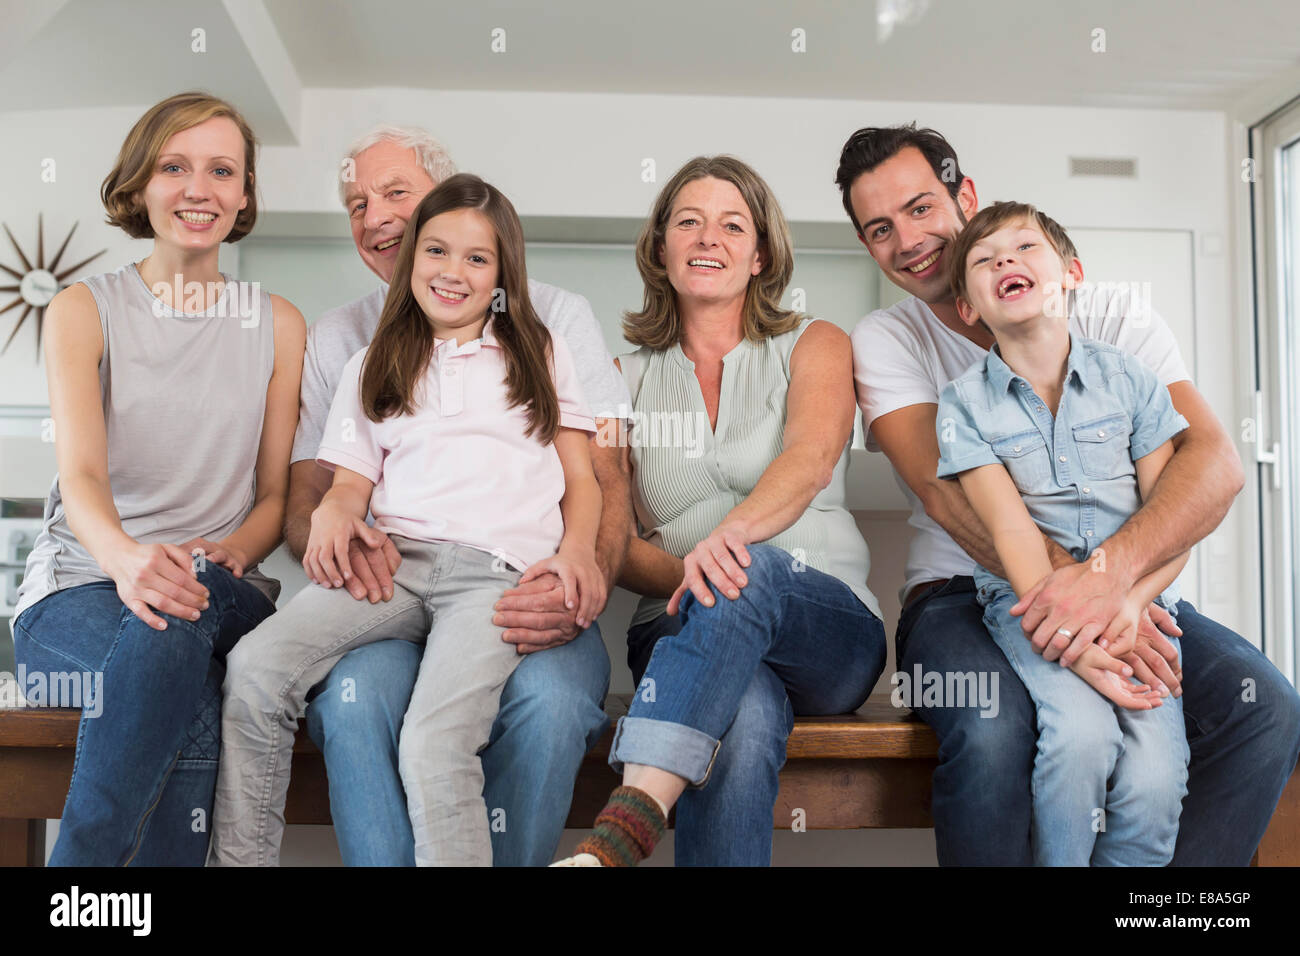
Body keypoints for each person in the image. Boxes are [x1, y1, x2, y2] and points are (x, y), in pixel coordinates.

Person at [840, 123, 1300, 865]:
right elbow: (953, 499)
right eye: (880, 229)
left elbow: (1212, 466)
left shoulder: (1116, 319)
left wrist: (1113, 591)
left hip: (1130, 589)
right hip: (965, 591)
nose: (909, 240)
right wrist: (1083, 608)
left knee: (1267, 707)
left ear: (966, 196)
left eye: (922, 207)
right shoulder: (888, 339)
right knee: (992, 728)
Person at [210, 175, 601, 866]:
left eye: (477, 259)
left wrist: (577, 554)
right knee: (253, 670)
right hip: (393, 567)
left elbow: (582, 479)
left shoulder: (542, 352)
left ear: (504, 273)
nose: (452, 272)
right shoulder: (375, 360)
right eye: (437, 252)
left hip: (494, 580)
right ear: (413, 259)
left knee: (432, 742)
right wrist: (335, 513)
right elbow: (349, 483)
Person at [555, 156, 887, 867]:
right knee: (745, 719)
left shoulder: (816, 344)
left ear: (760, 253)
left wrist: (727, 545)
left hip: (826, 630)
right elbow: (613, 535)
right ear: (661, 247)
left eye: (733, 224)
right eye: (689, 222)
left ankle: (625, 828)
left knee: (755, 570)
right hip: (676, 631)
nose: (710, 238)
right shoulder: (616, 380)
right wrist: (699, 579)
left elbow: (810, 458)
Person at [9, 91, 306, 865]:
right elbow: (80, 473)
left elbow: (274, 497)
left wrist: (227, 554)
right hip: (80, 589)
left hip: (222, 586)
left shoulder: (277, 323)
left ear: (244, 194)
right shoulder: (83, 309)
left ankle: (78, 886)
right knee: (188, 688)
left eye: (222, 171)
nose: (198, 189)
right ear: (141, 185)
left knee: (178, 607)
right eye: (174, 167)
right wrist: (133, 562)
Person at [938, 201, 1192, 865]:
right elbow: (1011, 534)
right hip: (1031, 605)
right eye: (984, 260)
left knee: (1157, 775)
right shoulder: (963, 404)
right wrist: (1077, 643)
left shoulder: (1133, 382)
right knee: (1081, 738)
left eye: (1025, 248)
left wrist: (1128, 607)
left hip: (1139, 609)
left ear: (1071, 273)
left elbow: (1169, 526)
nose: (1006, 262)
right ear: (968, 306)